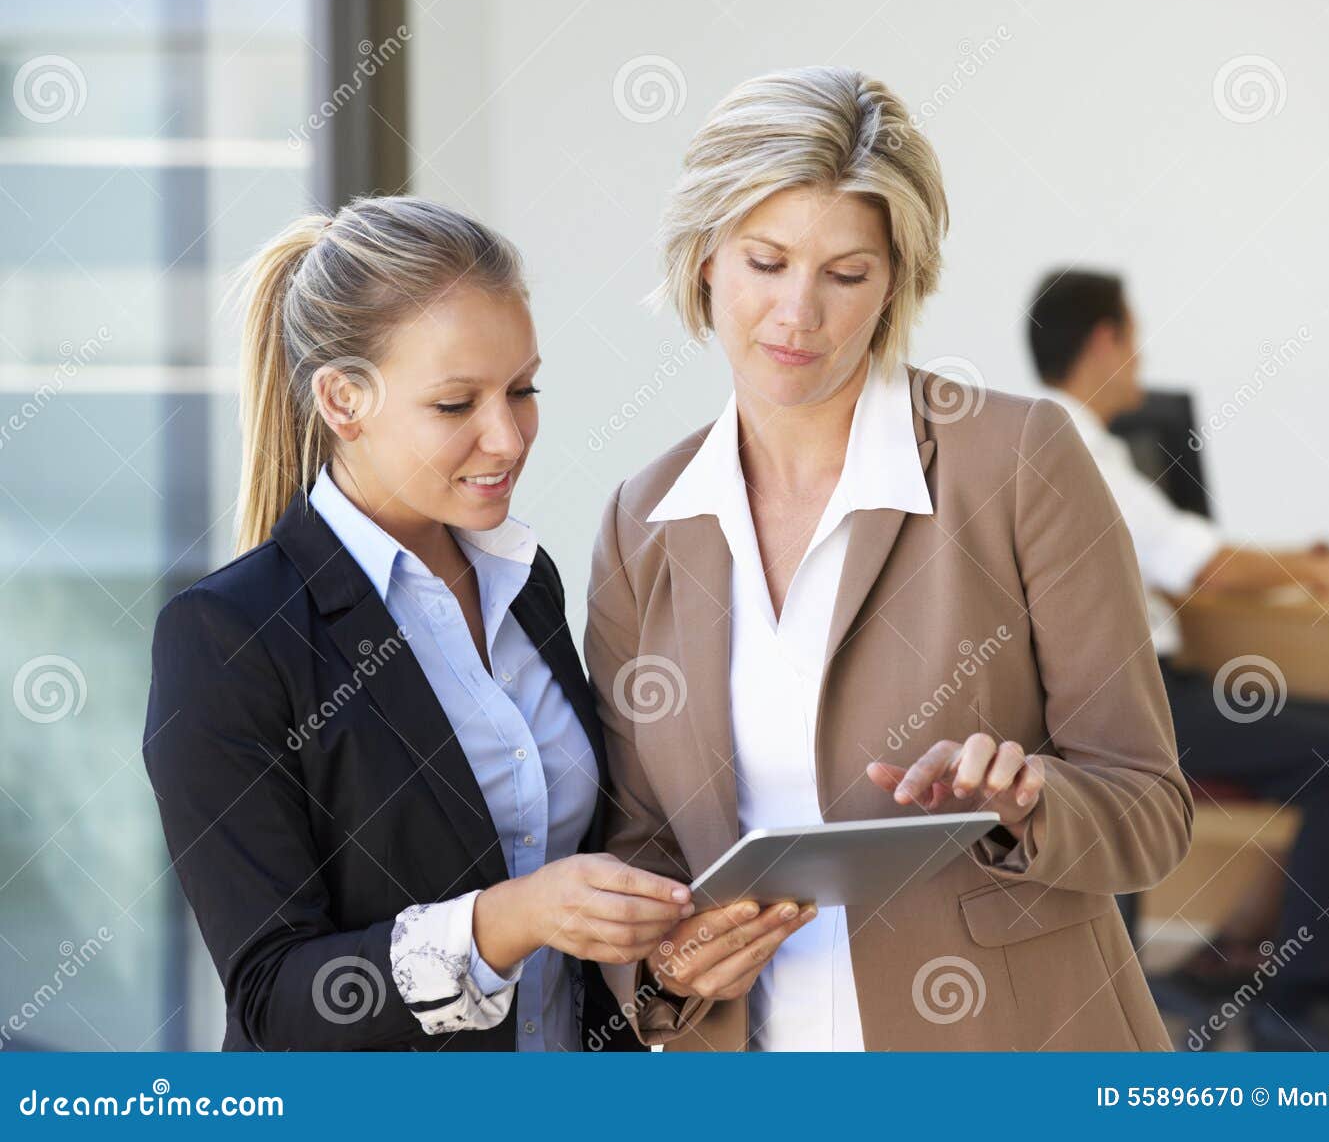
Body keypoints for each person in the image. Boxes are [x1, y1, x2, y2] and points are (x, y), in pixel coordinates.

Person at [584, 68, 1193, 1052]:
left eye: (846, 272)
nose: (798, 314)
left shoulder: (1015, 460)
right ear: (703, 260)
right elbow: (636, 840)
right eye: (766, 261)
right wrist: (662, 969)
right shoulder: (642, 521)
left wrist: (1025, 797)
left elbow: (1149, 806)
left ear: (897, 281)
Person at [141, 196, 690, 1051]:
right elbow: (277, 999)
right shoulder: (227, 638)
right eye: (455, 403)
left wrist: (663, 963)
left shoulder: (524, 581)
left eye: (522, 389)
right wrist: (510, 918)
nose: (507, 437)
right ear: (342, 399)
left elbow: (576, 931)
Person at [1027, 269, 1329, 1051]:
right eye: (1135, 339)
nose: (1141, 361)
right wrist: (1317, 566)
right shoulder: (1072, 445)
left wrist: (1304, 562)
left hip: (1150, 688)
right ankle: (1299, 1004)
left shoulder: (1066, 438)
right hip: (1133, 707)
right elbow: (1198, 562)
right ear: (1105, 340)